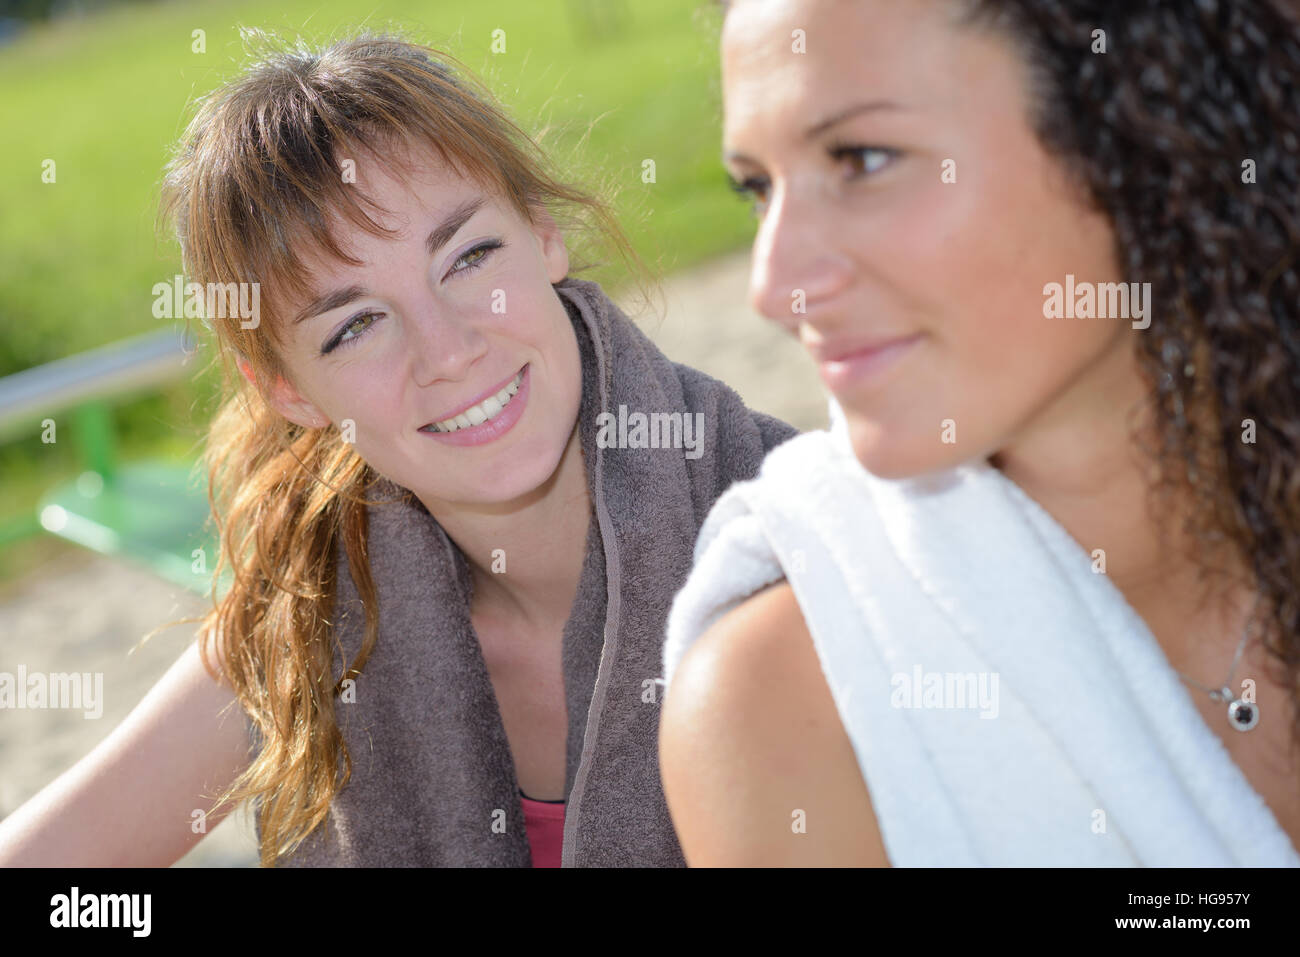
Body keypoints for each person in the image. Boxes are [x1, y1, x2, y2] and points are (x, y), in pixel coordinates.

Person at [0, 32, 795, 867]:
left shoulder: (797, 554)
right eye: (355, 326)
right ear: (289, 390)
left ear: (542, 232)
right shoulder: (309, 609)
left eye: (468, 256)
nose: (447, 350)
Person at [660, 0, 1300, 865]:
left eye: (862, 158)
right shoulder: (789, 705)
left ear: (1139, 133)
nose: (774, 288)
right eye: (759, 188)